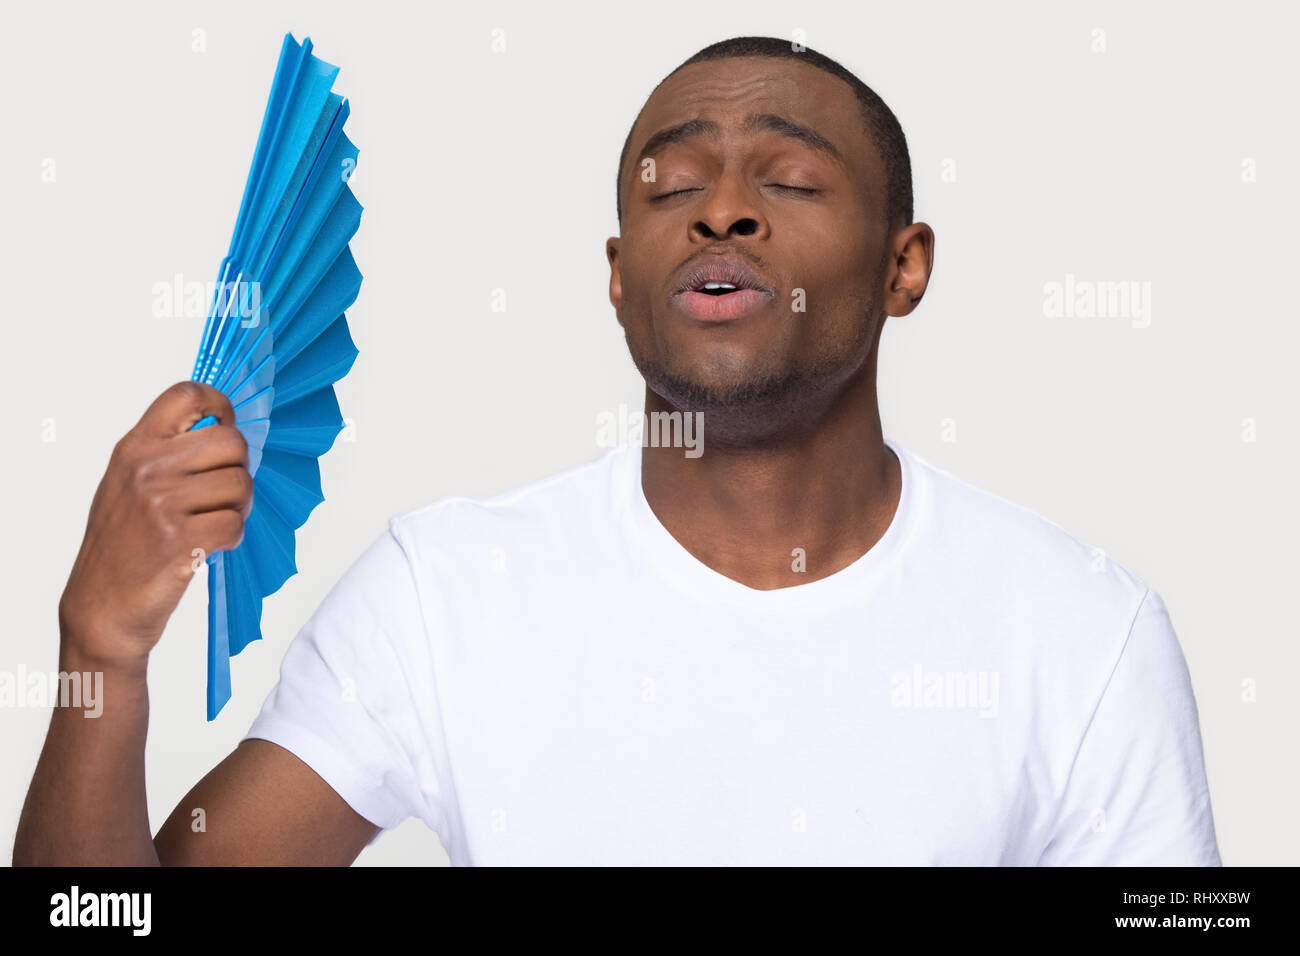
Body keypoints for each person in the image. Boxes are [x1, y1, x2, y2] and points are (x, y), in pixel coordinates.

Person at [13, 36, 1220, 866]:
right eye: (670, 183)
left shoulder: (1083, 630)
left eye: (789, 177)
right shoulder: (445, 594)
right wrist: (99, 655)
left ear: (906, 266)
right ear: (615, 277)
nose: (720, 209)